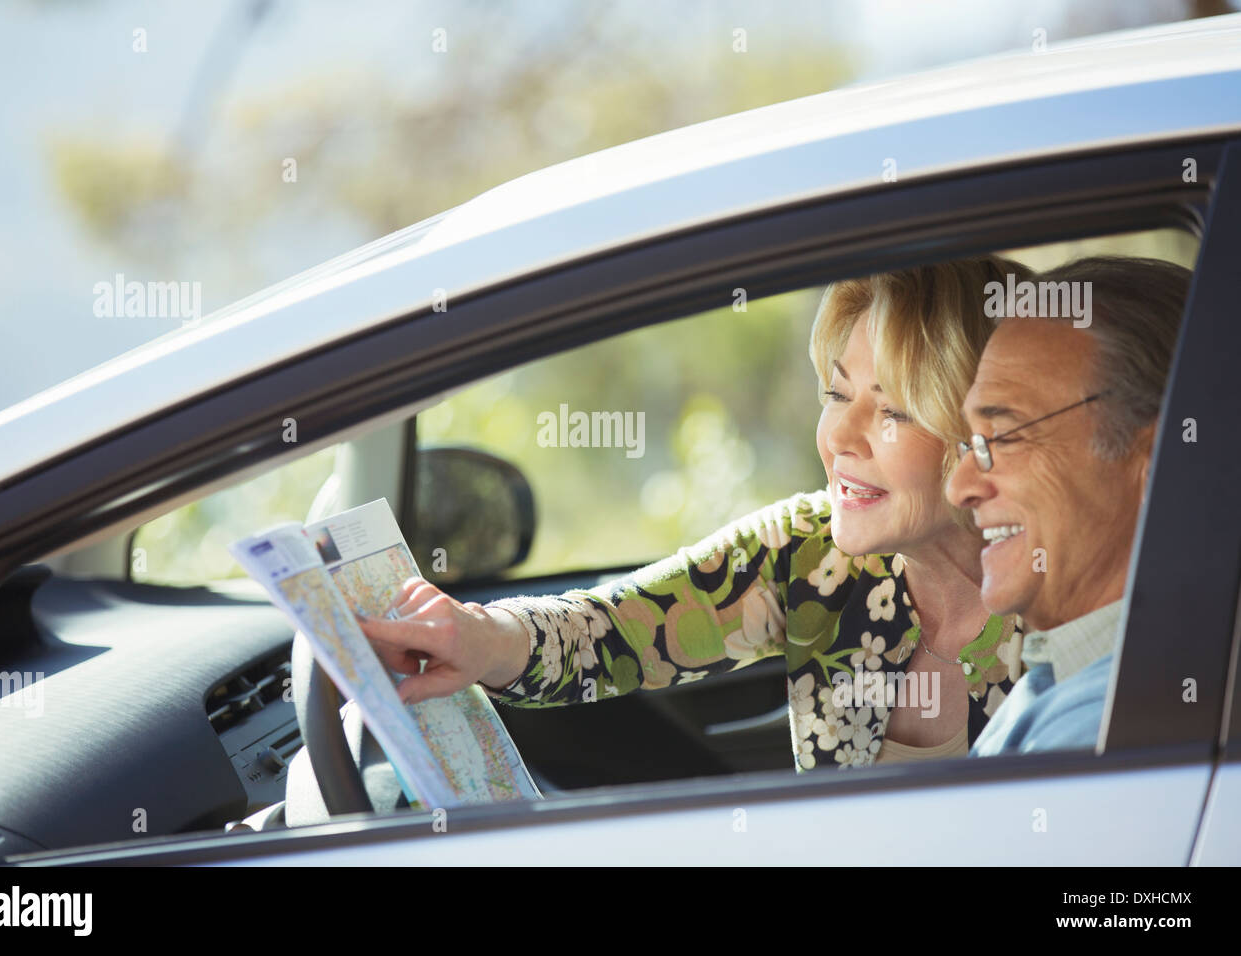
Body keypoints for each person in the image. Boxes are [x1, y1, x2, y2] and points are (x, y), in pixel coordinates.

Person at [356, 258, 1029, 771]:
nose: (839, 437)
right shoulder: (813, 550)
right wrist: (476, 636)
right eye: (835, 394)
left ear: (983, 433)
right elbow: (615, 630)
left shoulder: (1078, 604)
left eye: (891, 410)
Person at [947, 256, 1191, 757]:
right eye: (971, 442)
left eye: (1004, 436)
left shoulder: (1110, 732)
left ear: (1160, 463)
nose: (959, 485)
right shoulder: (1071, 681)